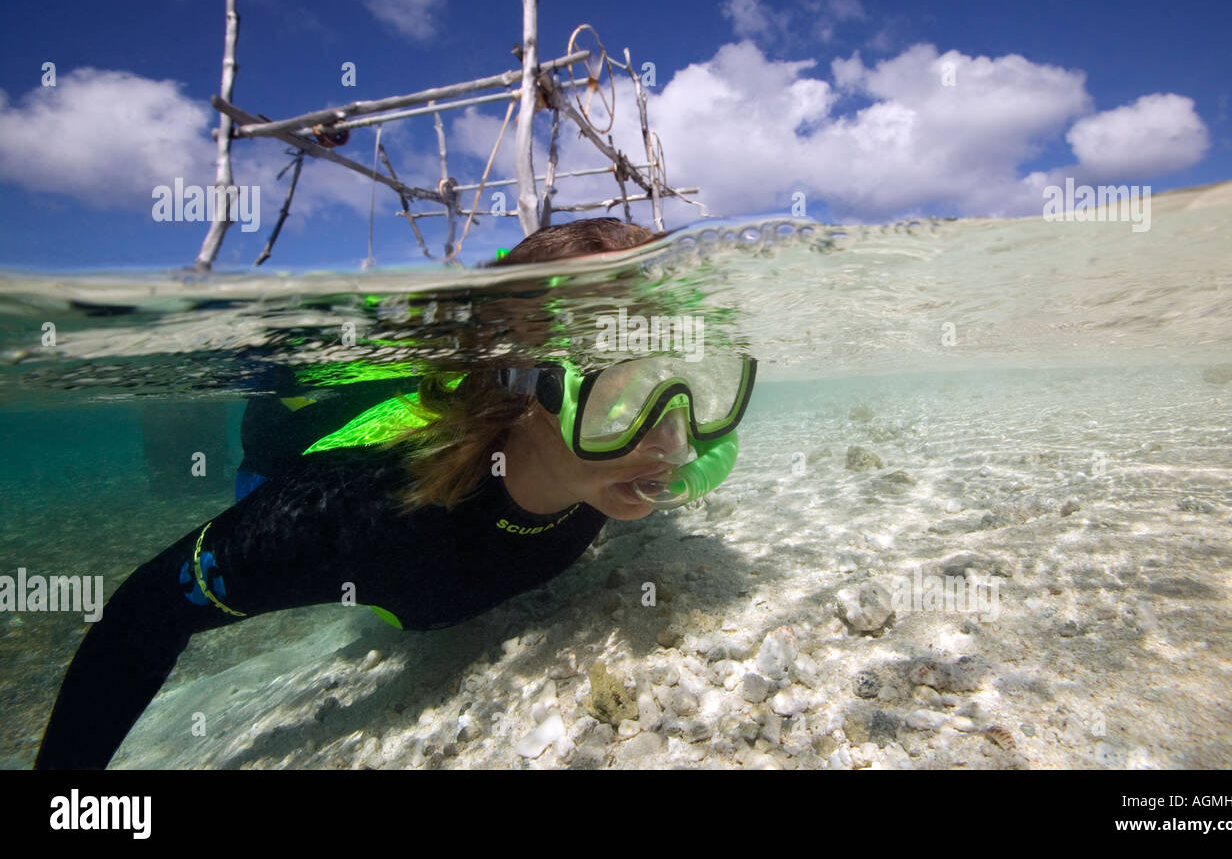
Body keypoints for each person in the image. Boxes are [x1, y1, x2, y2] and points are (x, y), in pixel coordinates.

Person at [33, 217, 757, 769]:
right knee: (293, 410)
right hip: (310, 450)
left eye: (690, 390)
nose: (676, 443)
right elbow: (144, 610)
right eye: (623, 404)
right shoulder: (367, 516)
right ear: (530, 390)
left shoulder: (613, 473)